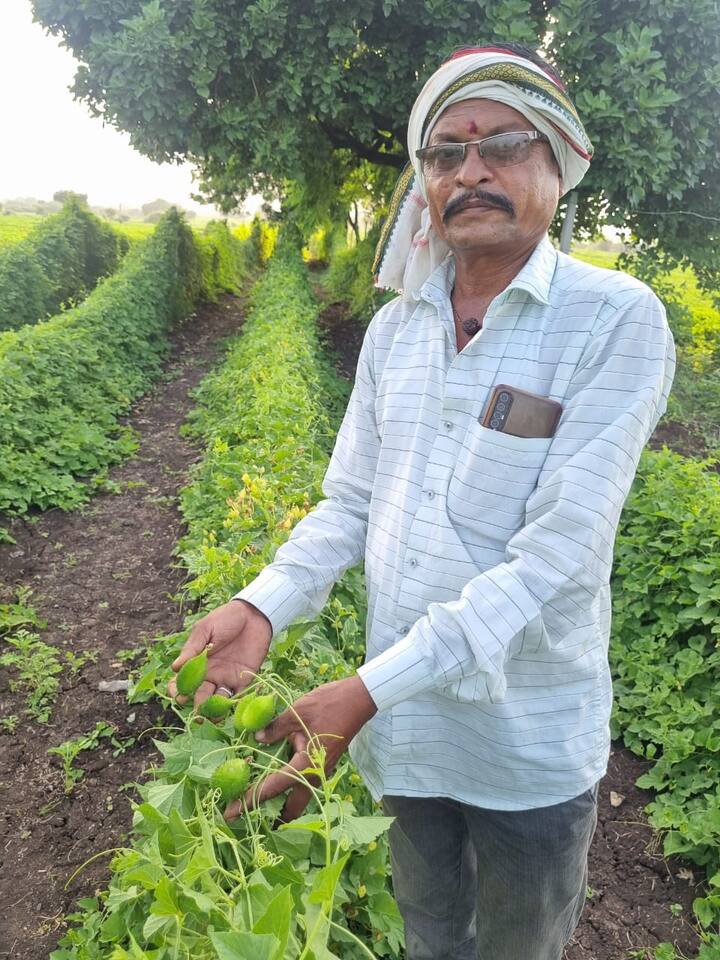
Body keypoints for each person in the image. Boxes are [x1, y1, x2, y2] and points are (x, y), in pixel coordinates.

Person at [169, 43, 676, 960]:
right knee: (433, 935)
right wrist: (262, 604)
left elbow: (557, 558)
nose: (471, 170)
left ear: (557, 164)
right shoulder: (396, 329)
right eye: (445, 153)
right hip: (404, 732)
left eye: (506, 145)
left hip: (522, 744)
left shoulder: (613, 319)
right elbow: (349, 502)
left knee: (519, 947)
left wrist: (364, 690)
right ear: (424, 183)